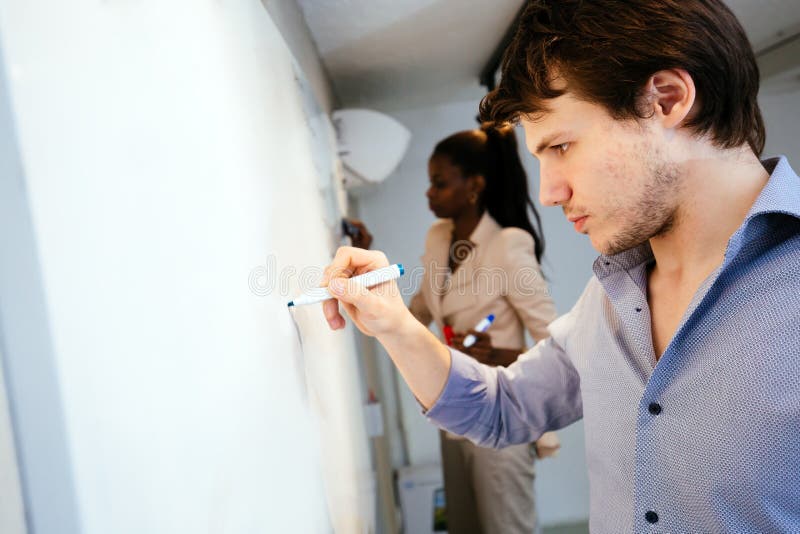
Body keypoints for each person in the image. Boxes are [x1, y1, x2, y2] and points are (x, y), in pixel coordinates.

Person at [320, 0, 800, 532]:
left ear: (666, 99)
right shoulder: (613, 295)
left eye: (563, 146)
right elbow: (499, 410)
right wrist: (394, 322)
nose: (549, 192)